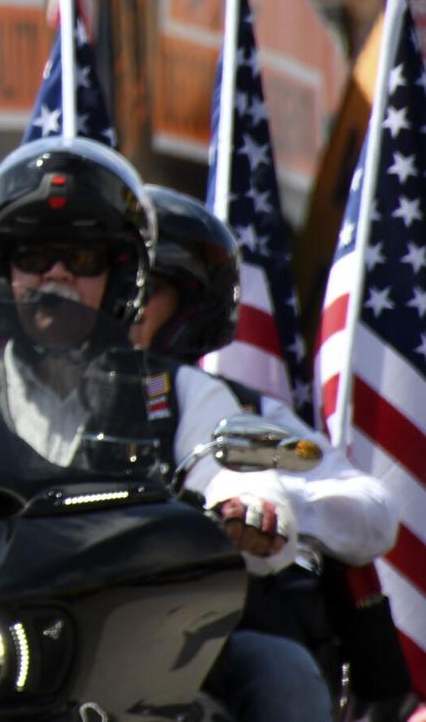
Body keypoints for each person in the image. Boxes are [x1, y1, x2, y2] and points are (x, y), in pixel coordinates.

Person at [0, 137, 343, 722]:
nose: (56, 273)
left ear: (119, 277)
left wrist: (251, 508)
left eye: (81, 258)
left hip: (150, 636)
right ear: (2, 271)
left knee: (280, 670)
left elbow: (232, 472)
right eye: (33, 255)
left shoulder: (178, 392)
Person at [133, 185, 406, 722]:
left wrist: (264, 511)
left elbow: (374, 512)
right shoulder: (6, 394)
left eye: (145, 288)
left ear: (188, 303)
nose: (124, 303)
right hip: (67, 614)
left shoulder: (239, 408)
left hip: (209, 630)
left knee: (281, 673)